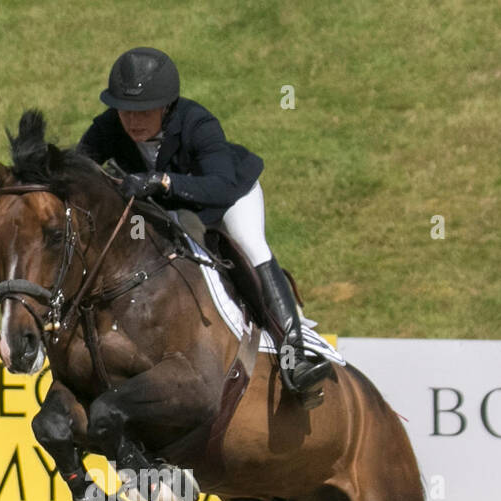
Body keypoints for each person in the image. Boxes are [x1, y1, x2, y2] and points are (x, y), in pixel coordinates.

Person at [78, 46, 332, 402]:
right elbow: (77, 168)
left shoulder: (198, 122)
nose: (132, 121)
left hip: (228, 197)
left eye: (144, 111)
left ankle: (297, 358)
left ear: (166, 106)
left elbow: (221, 185)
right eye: (125, 111)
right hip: (174, 211)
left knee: (250, 244)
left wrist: (163, 182)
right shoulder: (108, 126)